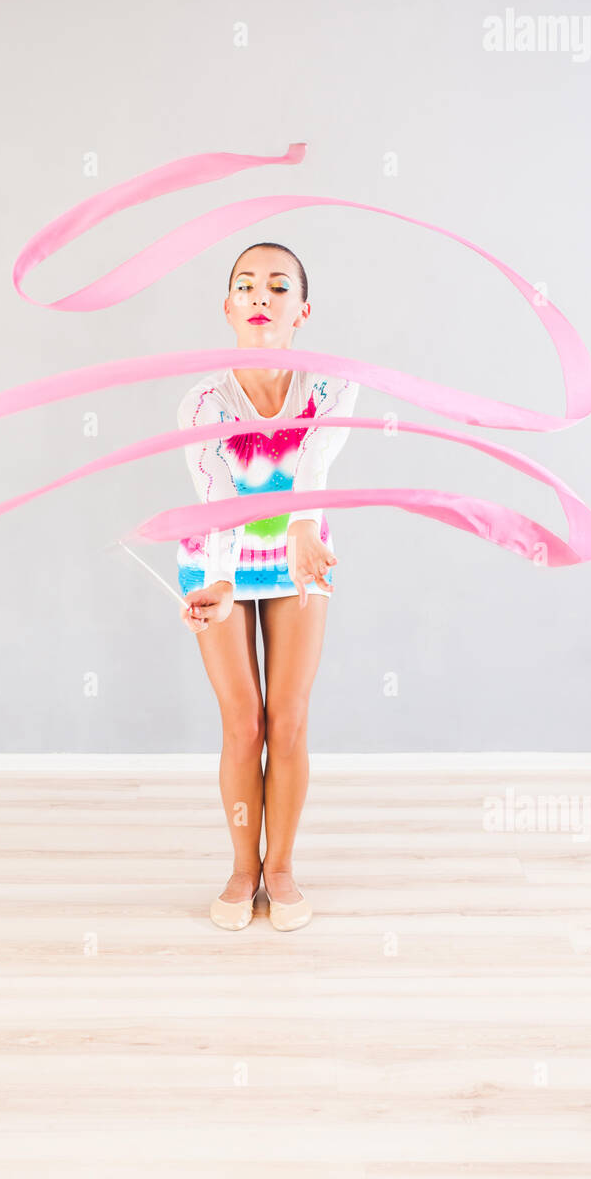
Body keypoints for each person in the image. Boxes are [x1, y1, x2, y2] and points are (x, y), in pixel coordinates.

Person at [176, 242, 359, 931]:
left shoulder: (334, 386)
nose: (261, 296)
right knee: (242, 722)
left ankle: (279, 867)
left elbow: (313, 460)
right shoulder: (199, 401)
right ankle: (241, 868)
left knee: (287, 717)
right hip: (219, 555)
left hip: (299, 554)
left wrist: (304, 529)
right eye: (246, 286)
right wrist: (219, 581)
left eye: (278, 287)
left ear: (302, 311)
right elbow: (217, 496)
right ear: (227, 307)